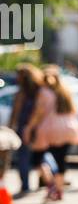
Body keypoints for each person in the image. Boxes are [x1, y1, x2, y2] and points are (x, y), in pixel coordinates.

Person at [23, 67, 78, 202]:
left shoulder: (44, 92)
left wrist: (29, 127)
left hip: (50, 130)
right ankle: (59, 190)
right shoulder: (65, 91)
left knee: (38, 158)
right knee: (60, 160)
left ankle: (51, 184)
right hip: (67, 128)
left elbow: (39, 113)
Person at [9, 64, 43, 195]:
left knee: (23, 157)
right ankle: (47, 180)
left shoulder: (22, 93)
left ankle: (25, 185)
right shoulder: (39, 91)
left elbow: (15, 112)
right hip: (37, 127)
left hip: (25, 127)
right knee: (40, 155)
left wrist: (12, 127)